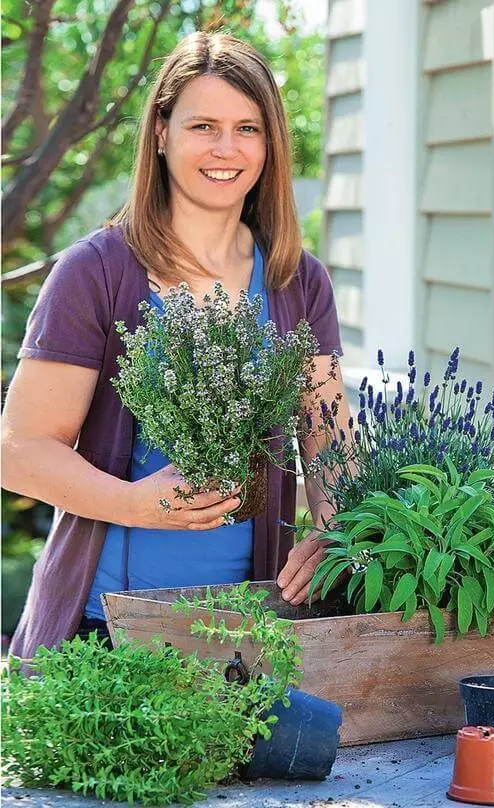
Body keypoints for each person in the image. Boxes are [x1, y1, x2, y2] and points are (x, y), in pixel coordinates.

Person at [2, 31, 350, 659]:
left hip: (248, 635)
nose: (226, 149)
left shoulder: (295, 281)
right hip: (103, 633)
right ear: (160, 132)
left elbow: (331, 446)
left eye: (248, 128)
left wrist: (334, 534)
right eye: (203, 126)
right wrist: (134, 503)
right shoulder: (97, 272)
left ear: (270, 145)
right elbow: (20, 451)